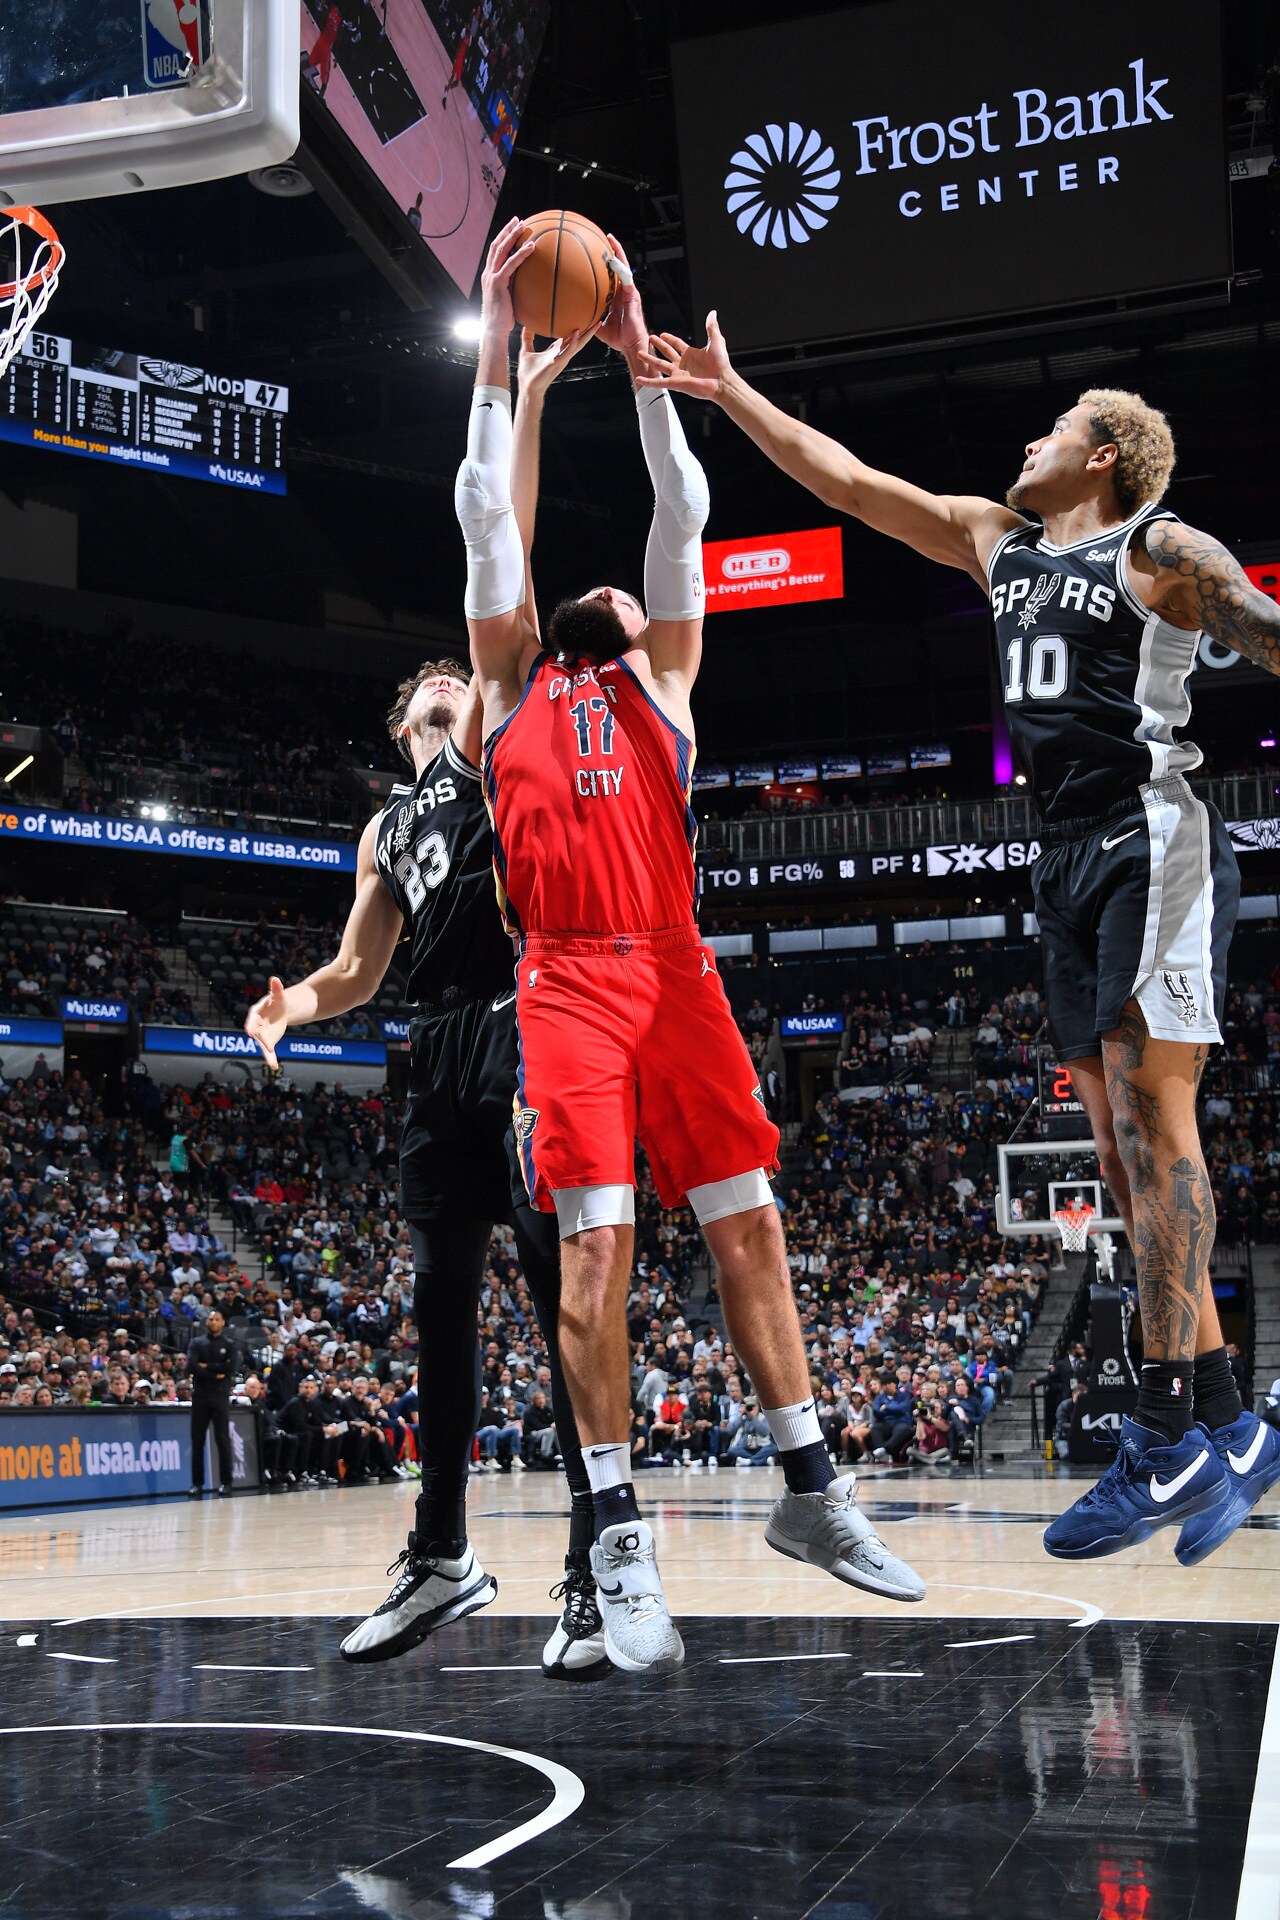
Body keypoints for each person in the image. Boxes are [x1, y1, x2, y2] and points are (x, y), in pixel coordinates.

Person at [640, 312, 1280, 1566]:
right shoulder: (998, 542)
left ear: (1104, 453)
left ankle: (1160, 1434)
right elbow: (848, 483)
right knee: (1117, 1157)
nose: (1027, 442)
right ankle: (1228, 1422)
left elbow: (1264, 627)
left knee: (1155, 1126)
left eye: (1053, 428)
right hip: (1061, 854)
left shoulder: (1156, 549)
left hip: (1149, 834)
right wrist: (726, 392)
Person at [458, 218, 924, 1674]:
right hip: (566, 982)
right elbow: (485, 512)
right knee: (593, 1257)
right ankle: (614, 1542)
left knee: (750, 1223)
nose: (616, 584)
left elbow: (683, 510)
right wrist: (498, 344)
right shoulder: (504, 684)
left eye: (628, 587)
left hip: (675, 967)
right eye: (594, 588)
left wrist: (643, 363)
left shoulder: (667, 677)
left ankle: (811, 1490)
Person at [246, 654, 600, 1680]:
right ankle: (442, 1550)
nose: (447, 678)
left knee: (558, 1298)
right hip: (435, 1044)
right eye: (426, 683)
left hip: (523, 1018)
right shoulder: (385, 828)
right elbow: (359, 970)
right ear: (401, 725)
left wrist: (485, 658)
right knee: (440, 1308)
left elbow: (498, 647)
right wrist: (288, 1007)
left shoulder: (490, 752)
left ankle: (595, 1562)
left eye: (458, 673)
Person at [187, 1308, 235, 1497]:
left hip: (220, 1397)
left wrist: (207, 1366)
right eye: (211, 1319)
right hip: (200, 1396)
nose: (213, 1322)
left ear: (222, 1322)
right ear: (206, 1322)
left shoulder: (229, 1344)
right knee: (197, 1440)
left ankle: (226, 1482)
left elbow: (231, 1367)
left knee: (222, 1440)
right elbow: (192, 1366)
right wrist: (216, 1373)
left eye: (217, 1319)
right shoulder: (197, 1342)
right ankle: (197, 1483)